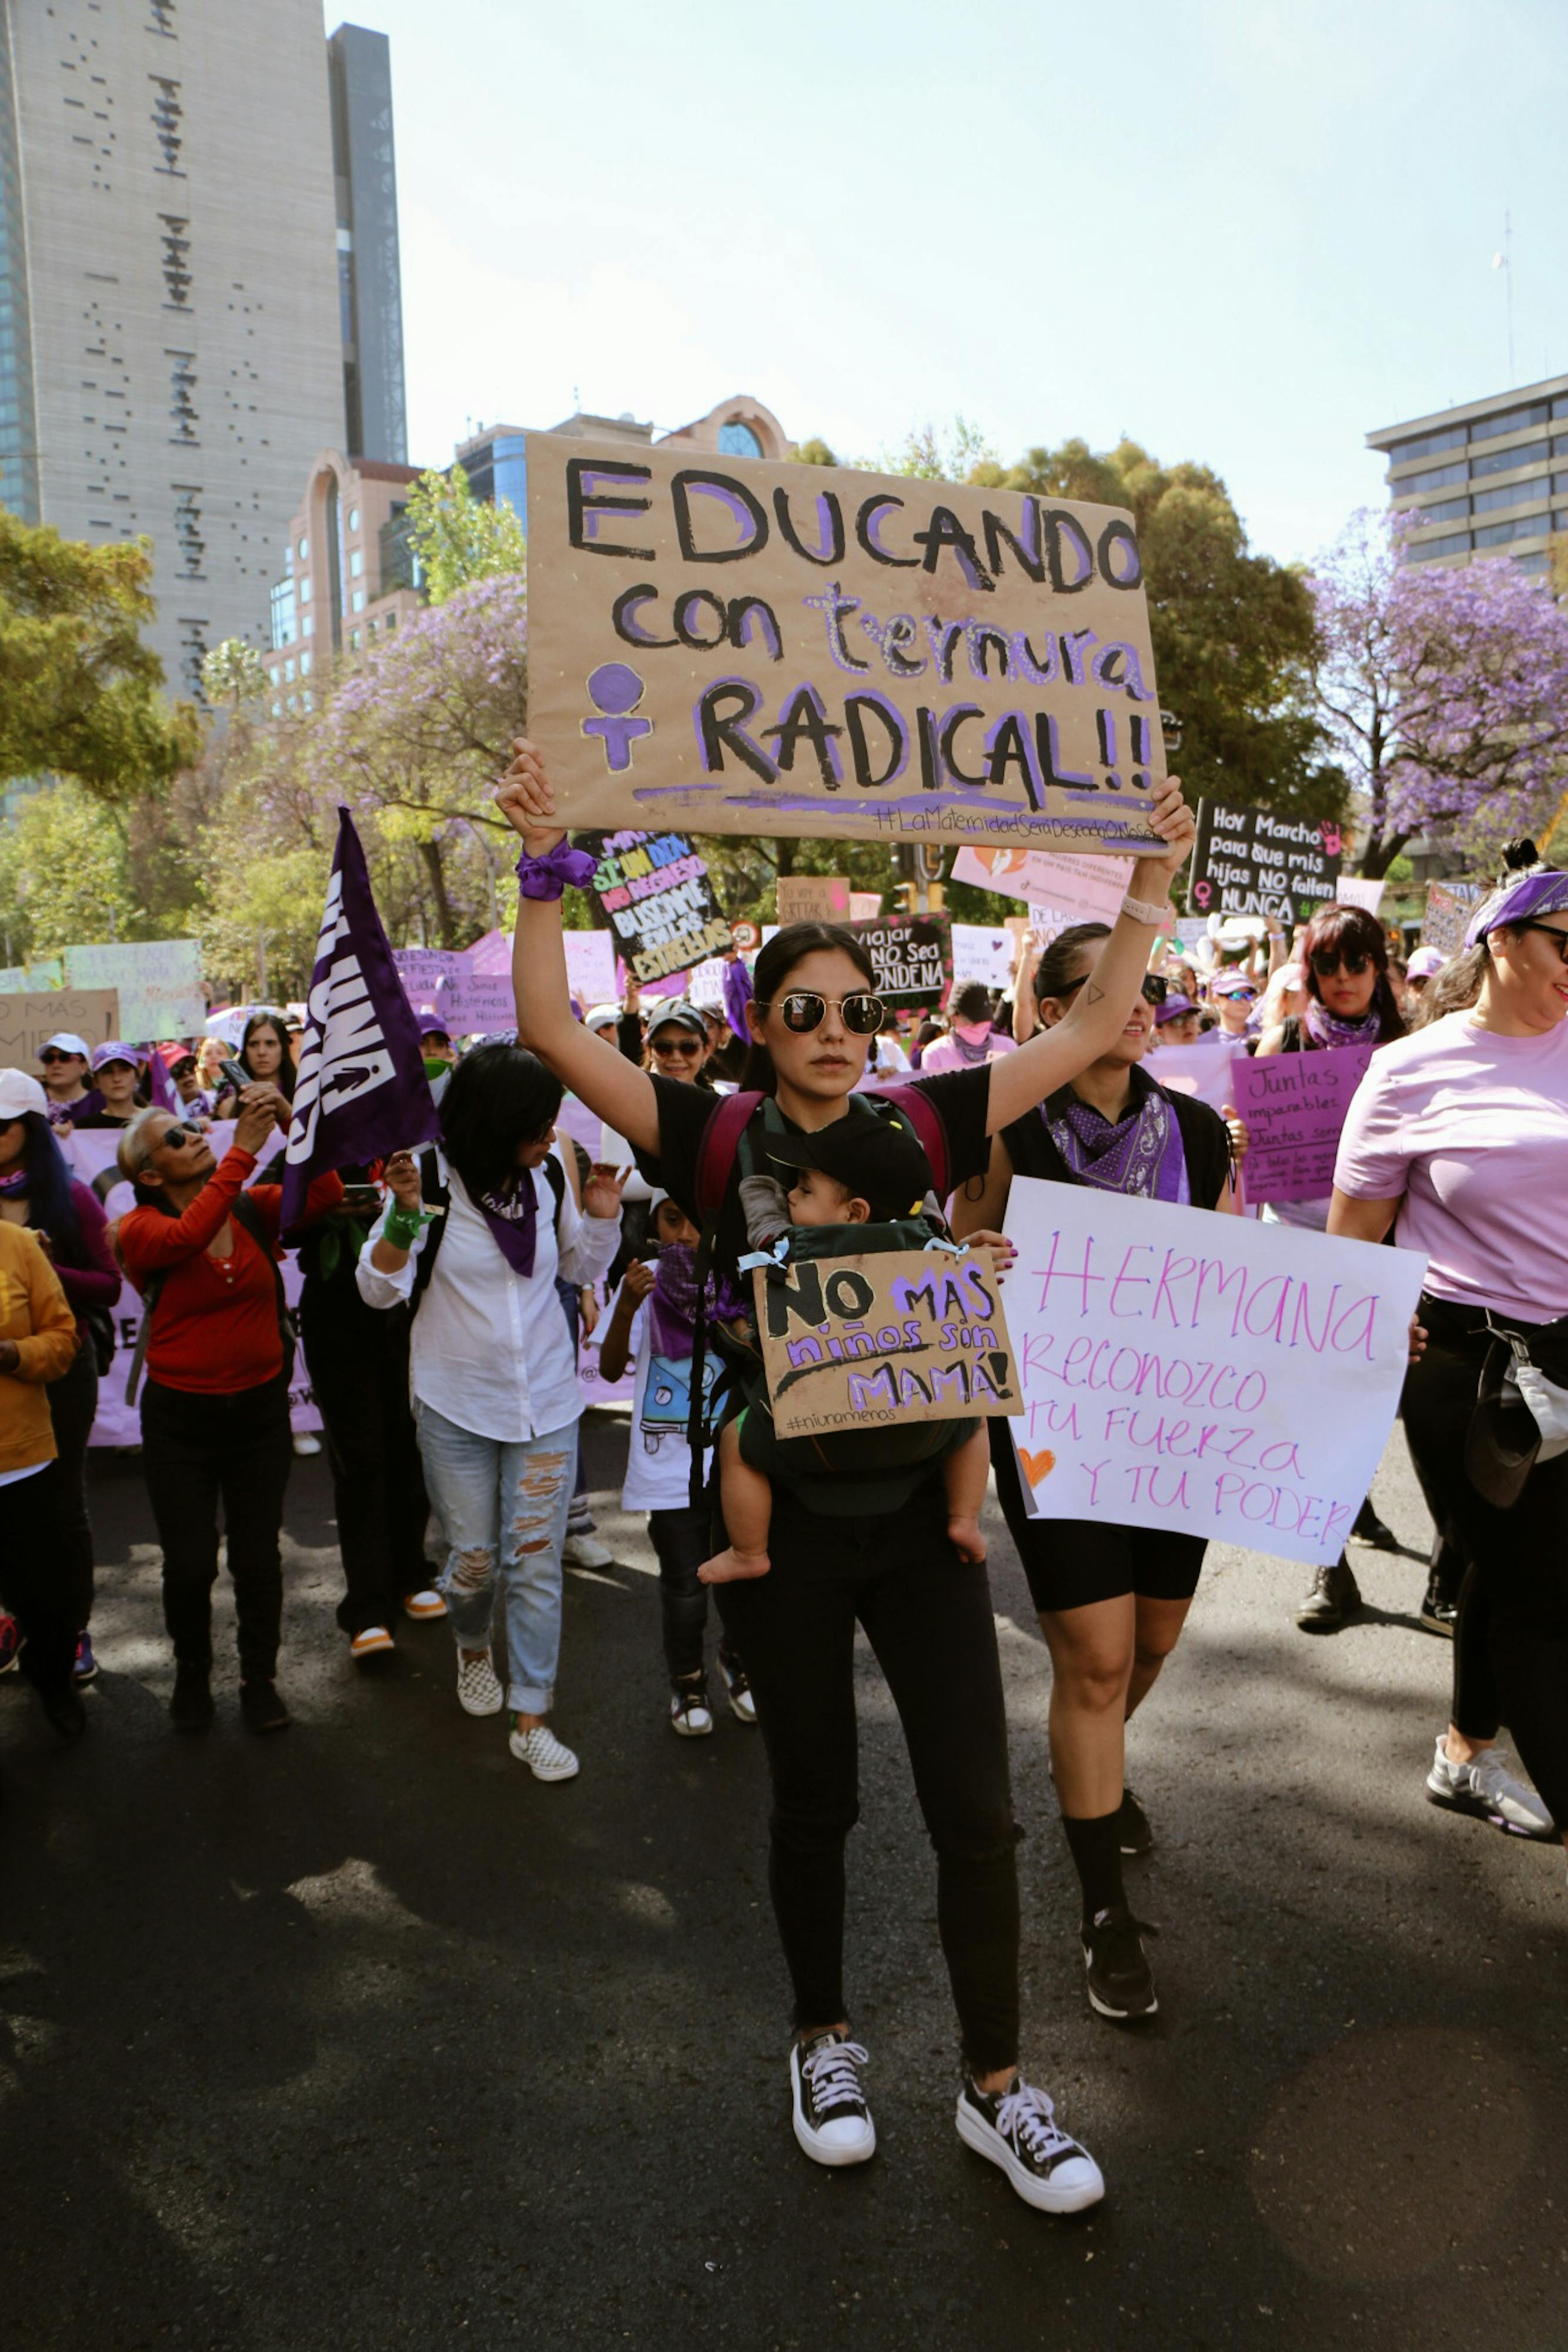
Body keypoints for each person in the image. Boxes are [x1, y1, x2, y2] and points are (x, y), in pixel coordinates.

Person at [496, 730, 1195, 2217]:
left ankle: (999, 2087)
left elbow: (1086, 1036)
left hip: (927, 1536)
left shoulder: (924, 1119)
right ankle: (822, 2038)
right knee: (816, 1802)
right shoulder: (712, 1130)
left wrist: (1151, 884)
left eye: (855, 1009)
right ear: (759, 1020)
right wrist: (543, 866)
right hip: (788, 1535)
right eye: (804, 1008)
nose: (833, 1027)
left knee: (979, 1814)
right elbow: (553, 1029)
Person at [952, 923, 1236, 2023]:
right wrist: (968, 1263)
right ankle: (1102, 1910)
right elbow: (952, 1268)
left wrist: (1358, 1339)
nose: (1136, 999)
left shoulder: (1200, 1129)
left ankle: (1096, 1767)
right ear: (1052, 1009)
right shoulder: (1008, 1126)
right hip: (1057, 1431)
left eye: (1147, 982)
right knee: (1098, 1657)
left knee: (1151, 1643)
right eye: (1104, 985)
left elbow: (1238, 1274)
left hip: (1177, 1433)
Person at [1332, 841, 1568, 1850]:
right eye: (1566, 941)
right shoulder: (1408, 1069)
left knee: (1505, 1571)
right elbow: (1351, 1244)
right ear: (1502, 939)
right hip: (1467, 1372)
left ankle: (1464, 1748)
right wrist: (1377, 1319)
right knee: (1542, 1594)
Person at [355, 1044, 624, 1781]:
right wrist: (404, 1219)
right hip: (455, 1406)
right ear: (492, 1120)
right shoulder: (427, 1179)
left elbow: (575, 1271)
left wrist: (600, 1221)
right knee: (472, 1565)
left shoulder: (548, 1178)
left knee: (534, 1565)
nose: (551, 1132)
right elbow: (378, 1291)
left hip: (547, 1402)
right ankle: (472, 1648)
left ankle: (531, 1715)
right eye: (537, 1121)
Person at [116, 1089, 342, 1732]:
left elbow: (322, 1195)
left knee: (256, 1556)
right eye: (178, 1135)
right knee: (189, 1564)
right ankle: (192, 1674)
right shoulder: (141, 1229)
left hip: (259, 1415)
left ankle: (259, 1680)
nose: (195, 1133)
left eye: (193, 1125)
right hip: (179, 1422)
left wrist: (294, 1123)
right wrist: (243, 1148)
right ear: (151, 1174)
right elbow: (187, 1234)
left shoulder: (247, 1206)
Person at [700, 1117, 992, 1585]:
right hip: (922, 1433)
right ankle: (964, 1518)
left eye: (804, 1188)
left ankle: (748, 1551)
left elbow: (761, 1218)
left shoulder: (791, 1247)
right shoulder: (930, 1242)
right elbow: (930, 1210)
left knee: (736, 1441)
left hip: (808, 1439)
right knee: (974, 1416)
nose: (792, 1194)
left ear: (855, 1213)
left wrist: (759, 1184)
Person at [1256, 902, 1408, 1627]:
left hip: (1393, 1252)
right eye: (1328, 964)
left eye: (1357, 962)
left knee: (1398, 1408)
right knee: (1317, 1415)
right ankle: (1330, 1567)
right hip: (1303, 1253)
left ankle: (1449, 1574)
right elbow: (1242, 1133)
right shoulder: (1282, 1040)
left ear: (1379, 967)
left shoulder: (1411, 1045)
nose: (1343, 978)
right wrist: (1234, 1132)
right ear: (1310, 970)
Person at [597, 1191, 757, 1735]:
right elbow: (611, 1367)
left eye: (698, 1220)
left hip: (740, 1466)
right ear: (651, 1224)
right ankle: (687, 1682)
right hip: (667, 1471)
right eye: (672, 1220)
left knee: (746, 1582)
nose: (685, 1235)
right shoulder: (644, 1285)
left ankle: (736, 1663)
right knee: (685, 1589)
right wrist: (625, 1308)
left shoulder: (739, 1279)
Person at [292, 1167, 447, 1662]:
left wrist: (404, 1209)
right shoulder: (311, 1148)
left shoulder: (419, 1148)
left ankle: (412, 1575)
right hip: (336, 1320)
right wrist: (327, 1209)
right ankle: (366, 1609)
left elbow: (442, 1220)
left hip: (411, 1316)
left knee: (409, 1447)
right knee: (360, 1461)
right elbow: (284, 1225)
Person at [0, 1072, 121, 1683]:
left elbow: (110, 1286)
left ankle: (70, 1631)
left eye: (2, 1125)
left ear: (33, 1130)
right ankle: (13, 1620)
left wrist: (46, 1267)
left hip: (63, 1372)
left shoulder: (72, 1197)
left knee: (62, 1507)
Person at [0, 1212, 83, 1739]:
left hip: (20, 1464)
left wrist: (13, 1354)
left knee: (45, 1601)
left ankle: (53, 1681)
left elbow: (63, 1338)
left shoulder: (15, 1244)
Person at [918, 981, 1017, 1074]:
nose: (978, 1026)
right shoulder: (935, 1054)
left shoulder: (1008, 1047)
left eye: (984, 1020)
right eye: (971, 1021)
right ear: (954, 1018)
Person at [36, 1032, 101, 1128]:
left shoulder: (100, 1103)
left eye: (65, 1058)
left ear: (83, 1067)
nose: (56, 1065)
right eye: (49, 1059)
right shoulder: (33, 1103)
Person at [77, 1043, 145, 1128]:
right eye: (108, 1072)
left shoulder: (155, 1122)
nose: (117, 1079)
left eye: (124, 1070)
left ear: (136, 1077)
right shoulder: (85, 1127)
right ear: (96, 1082)